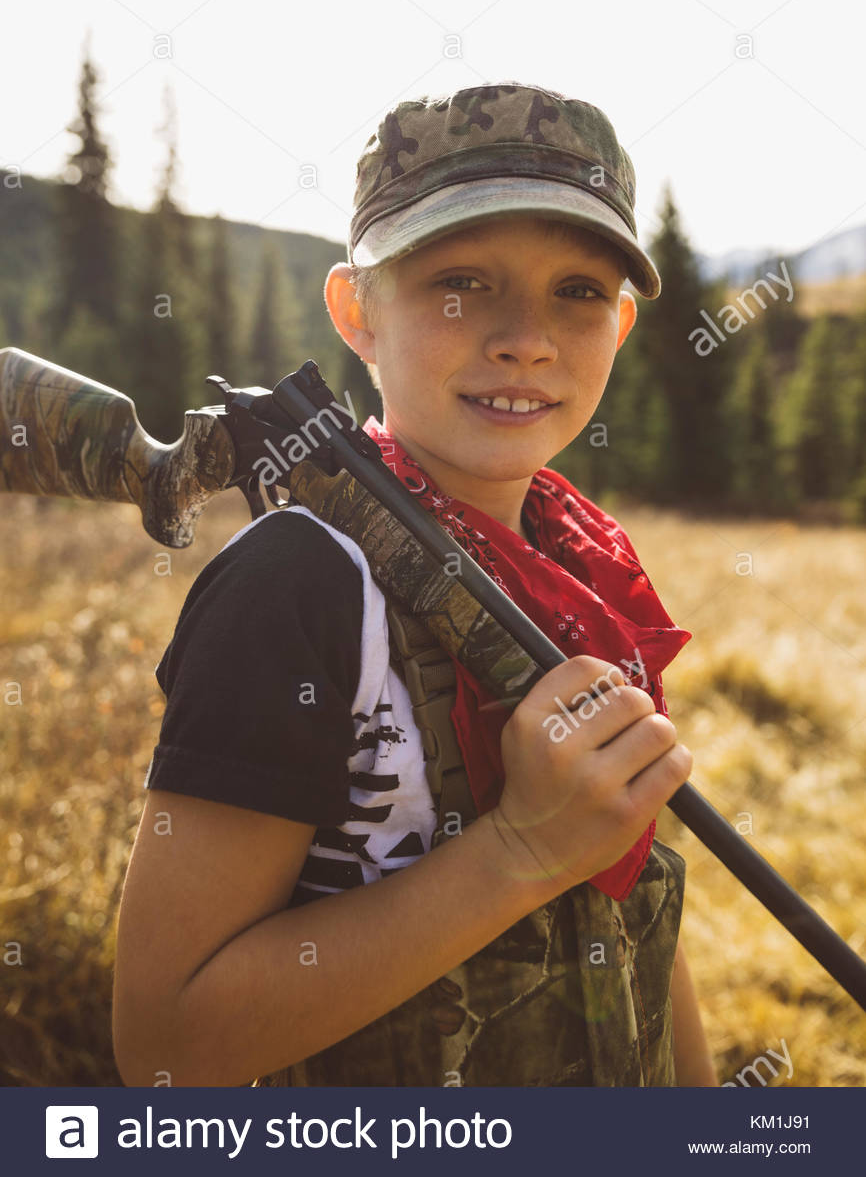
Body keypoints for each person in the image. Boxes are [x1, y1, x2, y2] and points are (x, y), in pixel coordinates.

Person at [112, 81, 717, 1088]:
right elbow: (168, 1048)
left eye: (575, 290)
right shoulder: (298, 587)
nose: (524, 335)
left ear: (617, 326)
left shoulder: (586, 573)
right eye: (459, 283)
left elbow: (630, 906)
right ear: (355, 311)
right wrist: (520, 849)